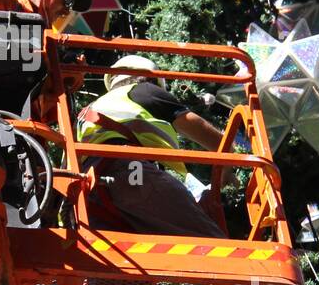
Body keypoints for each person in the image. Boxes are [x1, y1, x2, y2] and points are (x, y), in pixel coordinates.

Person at [77, 54, 229, 240]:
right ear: (149, 78)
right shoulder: (143, 90)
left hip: (88, 190)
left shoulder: (92, 107)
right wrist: (229, 163)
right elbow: (201, 131)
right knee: (211, 243)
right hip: (132, 172)